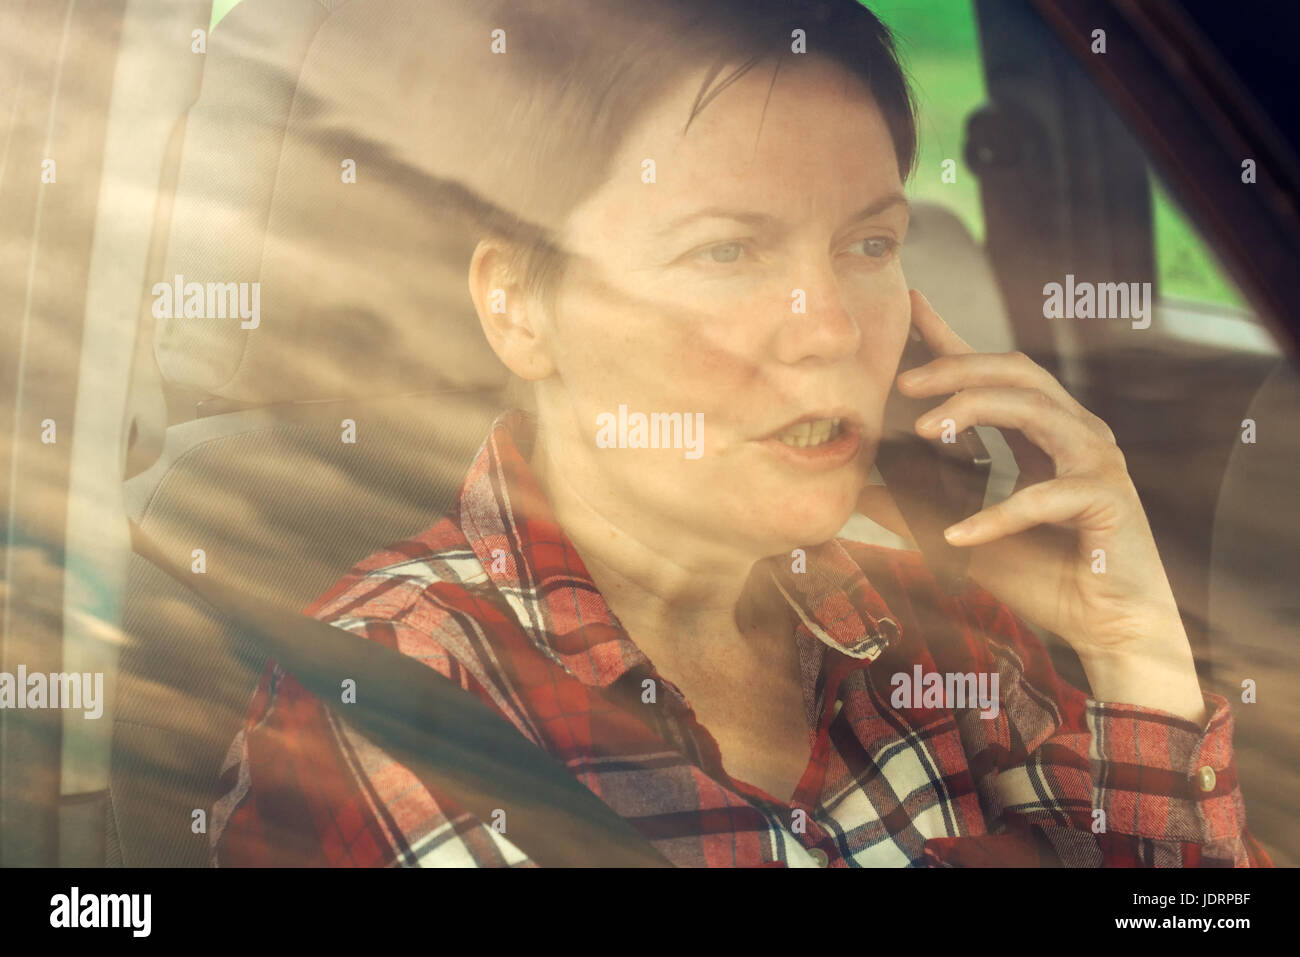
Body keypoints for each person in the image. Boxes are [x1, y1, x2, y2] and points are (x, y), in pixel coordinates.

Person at [210, 0, 1269, 867]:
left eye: (868, 241)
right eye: (725, 254)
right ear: (519, 303)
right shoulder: (390, 696)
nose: (830, 329)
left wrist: (1137, 658)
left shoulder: (934, 612)